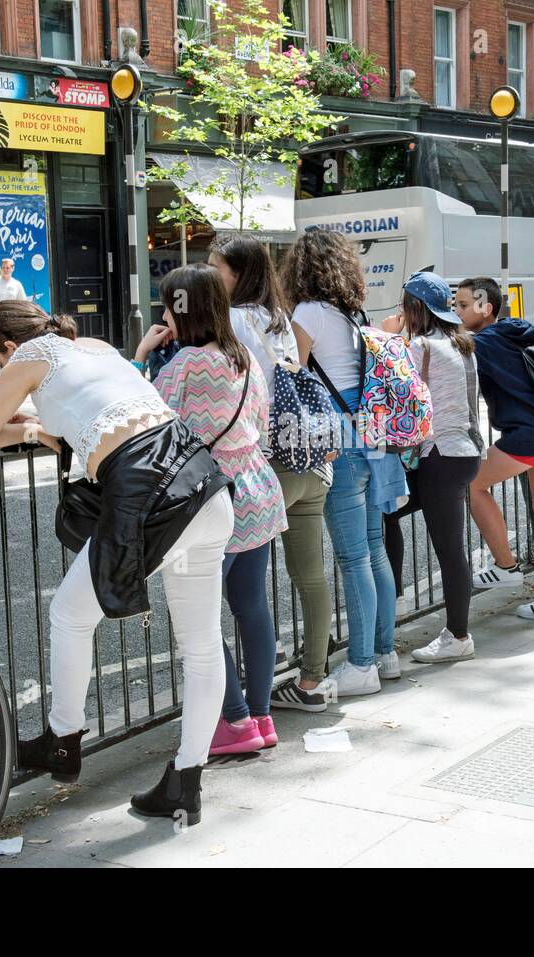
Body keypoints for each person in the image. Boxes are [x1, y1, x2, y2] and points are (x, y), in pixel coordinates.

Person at [0, 300, 234, 826]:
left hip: (151, 494)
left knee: (69, 615)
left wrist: (24, 430)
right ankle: (186, 780)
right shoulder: (96, 347)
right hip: (202, 482)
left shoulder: (29, 356)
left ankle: (63, 741)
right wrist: (43, 428)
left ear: (7, 348)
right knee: (201, 644)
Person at [135, 263, 287, 757]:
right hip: (256, 490)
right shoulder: (242, 357)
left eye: (168, 305)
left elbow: (145, 421)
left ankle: (235, 718)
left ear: (183, 310)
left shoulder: (182, 366)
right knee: (251, 608)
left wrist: (142, 356)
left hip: (206, 499)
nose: (163, 313)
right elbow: (261, 423)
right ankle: (260, 717)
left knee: (198, 619)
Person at [209, 236, 337, 713]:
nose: (210, 275)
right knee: (308, 576)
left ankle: (242, 699)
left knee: (229, 588)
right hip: (309, 461)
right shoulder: (278, 317)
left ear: (239, 274)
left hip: (263, 465)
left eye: (216, 267)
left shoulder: (236, 321)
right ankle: (309, 681)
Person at [285, 229, 406, 696]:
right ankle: (383, 653)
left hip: (336, 437)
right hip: (370, 434)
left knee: (353, 557)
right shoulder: (350, 313)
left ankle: (360, 666)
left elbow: (292, 375)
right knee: (373, 548)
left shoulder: (308, 312)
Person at [456, 277, 534, 623]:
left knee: (472, 484)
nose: (456, 312)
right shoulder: (519, 330)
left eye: (463, 305)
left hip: (532, 435)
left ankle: (505, 565)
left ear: (486, 307)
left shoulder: (483, 341)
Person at [381, 272, 485, 662]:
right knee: (386, 511)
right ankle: (396, 602)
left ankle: (458, 636)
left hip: (441, 456)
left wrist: (390, 336)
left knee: (449, 550)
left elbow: (391, 385)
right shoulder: (460, 344)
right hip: (462, 454)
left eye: (404, 305)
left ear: (416, 308)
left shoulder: (420, 346)